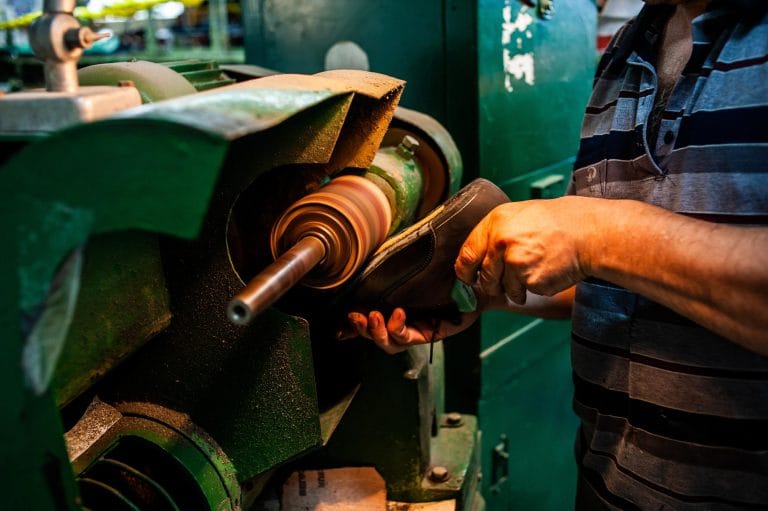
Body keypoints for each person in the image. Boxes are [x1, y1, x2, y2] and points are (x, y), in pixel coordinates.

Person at [345, 0, 768, 508]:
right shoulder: (627, 52)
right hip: (606, 484)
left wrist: (600, 234)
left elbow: (605, 246)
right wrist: (479, 294)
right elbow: (617, 285)